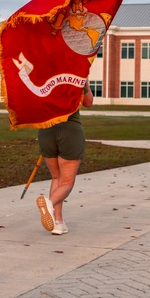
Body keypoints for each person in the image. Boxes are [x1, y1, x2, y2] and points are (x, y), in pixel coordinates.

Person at [35, 83, 94, 235]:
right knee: (67, 182)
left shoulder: (44, 77)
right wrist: (85, 82)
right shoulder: (73, 74)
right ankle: (49, 203)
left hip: (46, 130)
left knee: (56, 177)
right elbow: (88, 102)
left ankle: (58, 222)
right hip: (69, 129)